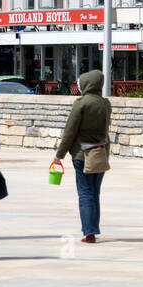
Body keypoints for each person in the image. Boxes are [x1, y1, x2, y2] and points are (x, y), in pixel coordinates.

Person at [52, 69, 112, 243]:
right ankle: (93, 228)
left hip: (81, 154)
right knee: (94, 193)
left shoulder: (81, 104)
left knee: (85, 193)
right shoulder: (105, 104)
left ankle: (89, 232)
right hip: (100, 154)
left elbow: (70, 132)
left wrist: (59, 154)